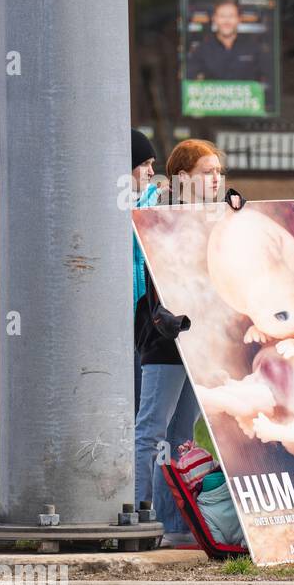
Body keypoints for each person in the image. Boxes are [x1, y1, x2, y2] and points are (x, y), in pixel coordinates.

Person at [135, 139, 243, 546]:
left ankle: (175, 523)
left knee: (183, 432)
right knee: (152, 429)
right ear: (182, 177)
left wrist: (234, 207)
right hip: (165, 337)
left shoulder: (220, 214)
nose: (216, 179)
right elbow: (158, 277)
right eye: (207, 172)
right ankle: (141, 517)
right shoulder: (161, 215)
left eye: (220, 172)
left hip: (203, 334)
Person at [130, 129, 162, 415]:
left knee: (145, 400)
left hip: (148, 313)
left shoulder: (157, 200)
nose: (152, 172)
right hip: (120, 313)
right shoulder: (102, 207)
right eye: (144, 165)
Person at [185, 0, 270, 83]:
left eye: (231, 16)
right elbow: (189, 81)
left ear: (239, 19)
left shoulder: (253, 48)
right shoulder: (202, 50)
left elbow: (269, 79)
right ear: (215, 19)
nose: (226, 21)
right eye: (222, 16)